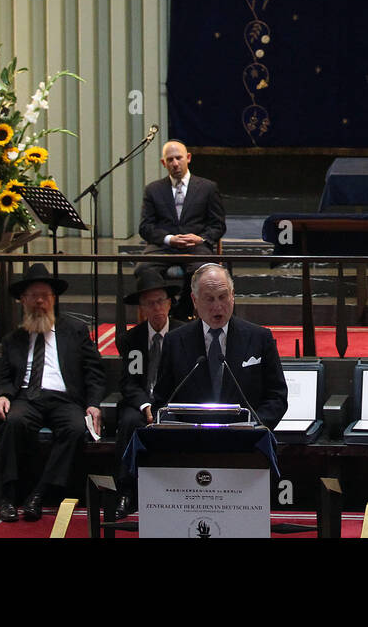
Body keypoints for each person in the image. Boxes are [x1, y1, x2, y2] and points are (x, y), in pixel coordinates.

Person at [0, 264, 106, 523]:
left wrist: (93, 404)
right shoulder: (14, 339)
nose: (40, 301)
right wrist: (2, 395)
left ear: (54, 299)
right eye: (33, 296)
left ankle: (38, 495)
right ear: (23, 301)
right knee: (12, 422)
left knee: (76, 429)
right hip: (26, 398)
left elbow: (94, 372)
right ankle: (8, 496)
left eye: (45, 295)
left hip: (65, 399)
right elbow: (5, 377)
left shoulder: (75, 331)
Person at [150, 264, 288, 427]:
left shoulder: (259, 337)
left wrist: (255, 428)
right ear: (195, 300)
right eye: (209, 299)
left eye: (223, 297)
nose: (217, 306)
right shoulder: (175, 341)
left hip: (245, 443)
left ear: (233, 295)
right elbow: (162, 401)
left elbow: (276, 397)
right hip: (191, 443)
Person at [112, 268, 184, 520]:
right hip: (141, 402)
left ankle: (177, 492)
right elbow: (129, 383)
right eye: (150, 304)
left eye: (160, 302)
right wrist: (145, 406)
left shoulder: (182, 335)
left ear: (169, 303)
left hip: (172, 400)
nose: (156, 309)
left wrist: (163, 406)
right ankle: (126, 491)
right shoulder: (132, 339)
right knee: (130, 422)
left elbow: (186, 377)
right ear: (142, 308)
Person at [138, 140, 227, 268]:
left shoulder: (208, 188)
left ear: (188, 158)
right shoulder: (153, 190)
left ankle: (187, 289)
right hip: (162, 248)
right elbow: (145, 227)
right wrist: (169, 239)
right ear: (163, 163)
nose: (175, 163)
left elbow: (218, 225)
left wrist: (201, 239)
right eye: (170, 160)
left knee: (201, 271)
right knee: (144, 269)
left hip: (197, 249)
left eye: (179, 158)